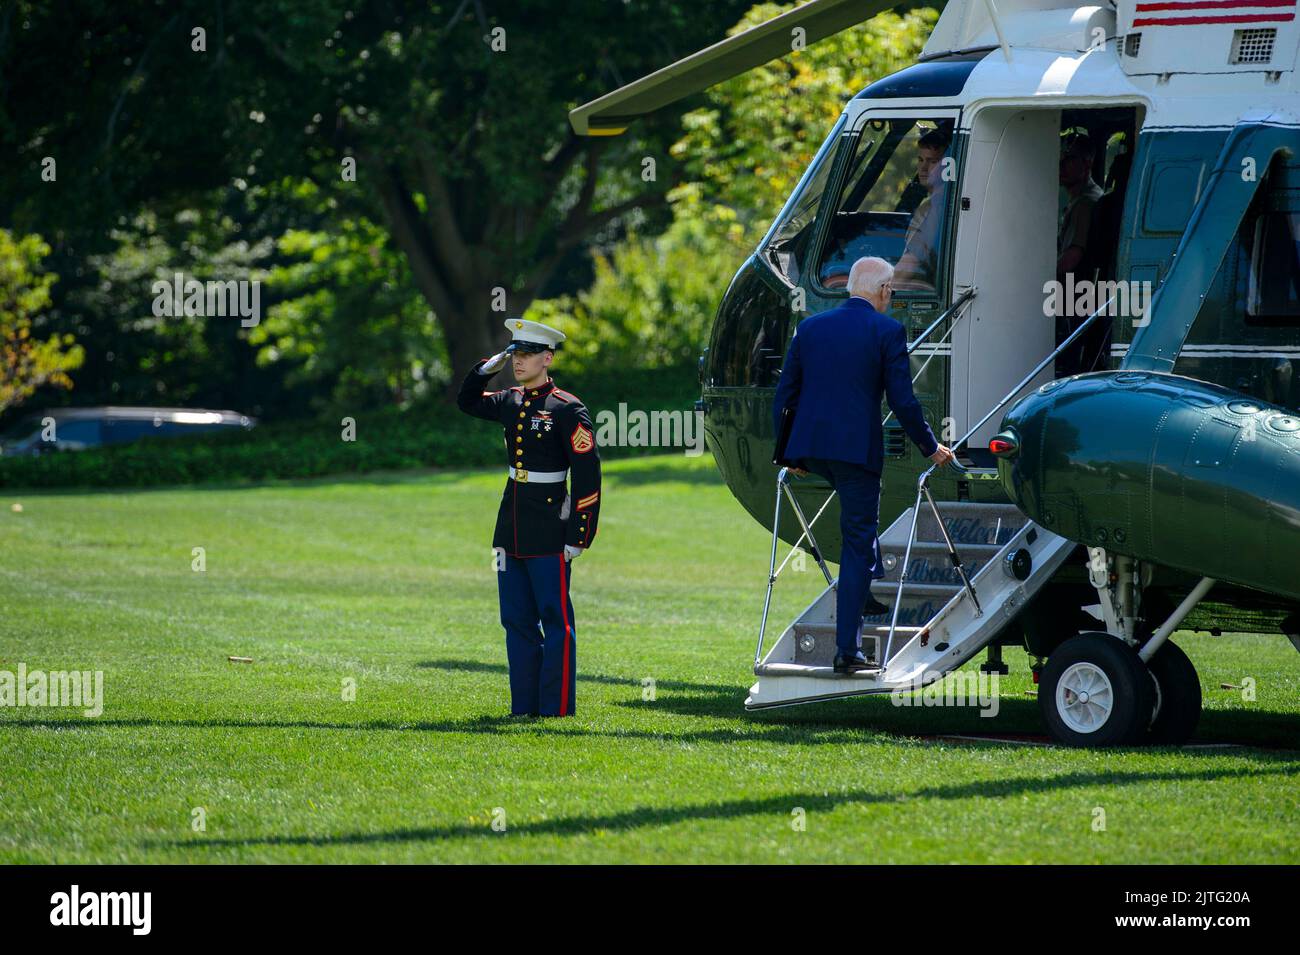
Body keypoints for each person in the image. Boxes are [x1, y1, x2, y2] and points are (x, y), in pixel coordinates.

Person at [772, 257, 954, 674]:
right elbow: (903, 402)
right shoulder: (887, 331)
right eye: (892, 291)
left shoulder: (811, 327)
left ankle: (864, 587)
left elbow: (785, 397)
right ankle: (847, 649)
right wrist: (930, 447)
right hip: (856, 454)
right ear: (885, 290)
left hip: (813, 452)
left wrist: (789, 454)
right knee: (857, 542)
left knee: (861, 532)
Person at [457, 318, 601, 717]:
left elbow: (588, 474)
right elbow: (467, 402)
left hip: (549, 527)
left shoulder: (567, 408)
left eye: (526, 355)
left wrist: (579, 535)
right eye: (515, 354)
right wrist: (487, 368)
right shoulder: (510, 400)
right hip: (512, 526)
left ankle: (554, 708)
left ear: (547, 357)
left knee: (554, 620)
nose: (518, 362)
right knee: (516, 619)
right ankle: (523, 707)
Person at [1055, 129, 1106, 376]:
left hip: (1076, 295)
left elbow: (1072, 258)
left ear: (1086, 164)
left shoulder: (1086, 202)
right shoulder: (1080, 200)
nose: (1061, 165)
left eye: (1068, 159)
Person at [893, 128, 951, 292]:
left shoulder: (939, 206)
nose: (923, 168)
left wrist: (882, 294)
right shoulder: (930, 204)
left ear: (948, 165)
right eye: (920, 159)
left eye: (932, 161)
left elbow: (912, 261)